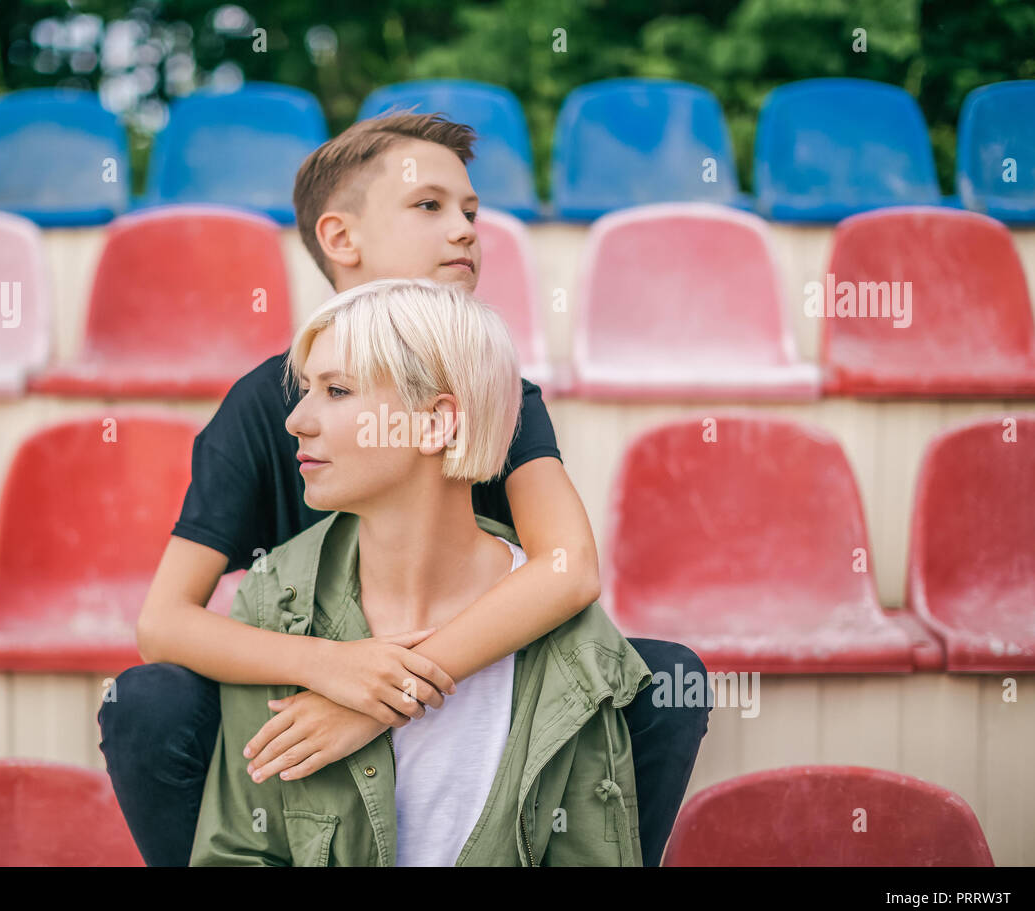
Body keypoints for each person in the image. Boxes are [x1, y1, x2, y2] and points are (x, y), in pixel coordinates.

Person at [98, 110, 711, 866]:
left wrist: (385, 700)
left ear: (443, 421)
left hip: (473, 677)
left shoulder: (495, 393)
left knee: (665, 678)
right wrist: (334, 670)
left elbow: (568, 567)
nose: (464, 230)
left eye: (471, 212)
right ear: (341, 239)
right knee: (150, 701)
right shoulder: (267, 407)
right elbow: (165, 622)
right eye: (430, 206)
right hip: (304, 698)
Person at [191, 278, 654, 865]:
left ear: (436, 423)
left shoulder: (571, 644)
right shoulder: (274, 603)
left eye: (336, 391)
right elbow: (239, 852)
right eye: (306, 390)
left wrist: (380, 700)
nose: (296, 421)